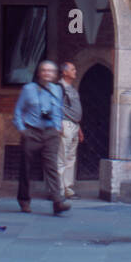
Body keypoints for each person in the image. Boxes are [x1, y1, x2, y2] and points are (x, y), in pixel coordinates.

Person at [13, 59, 70, 214]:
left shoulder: (57, 89)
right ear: (39, 73)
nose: (47, 73)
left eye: (50, 71)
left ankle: (57, 201)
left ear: (55, 74)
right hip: (31, 132)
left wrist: (58, 127)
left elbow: (58, 110)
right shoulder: (28, 89)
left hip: (51, 133)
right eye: (44, 70)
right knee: (26, 167)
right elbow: (18, 111)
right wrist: (22, 129)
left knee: (52, 167)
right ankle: (24, 200)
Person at [58, 61, 85, 199]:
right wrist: (59, 124)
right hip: (65, 124)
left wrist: (79, 128)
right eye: (72, 69)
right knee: (62, 157)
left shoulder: (72, 88)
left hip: (74, 125)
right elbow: (56, 107)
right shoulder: (59, 87)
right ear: (65, 72)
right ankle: (58, 190)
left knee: (70, 158)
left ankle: (67, 187)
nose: (75, 71)